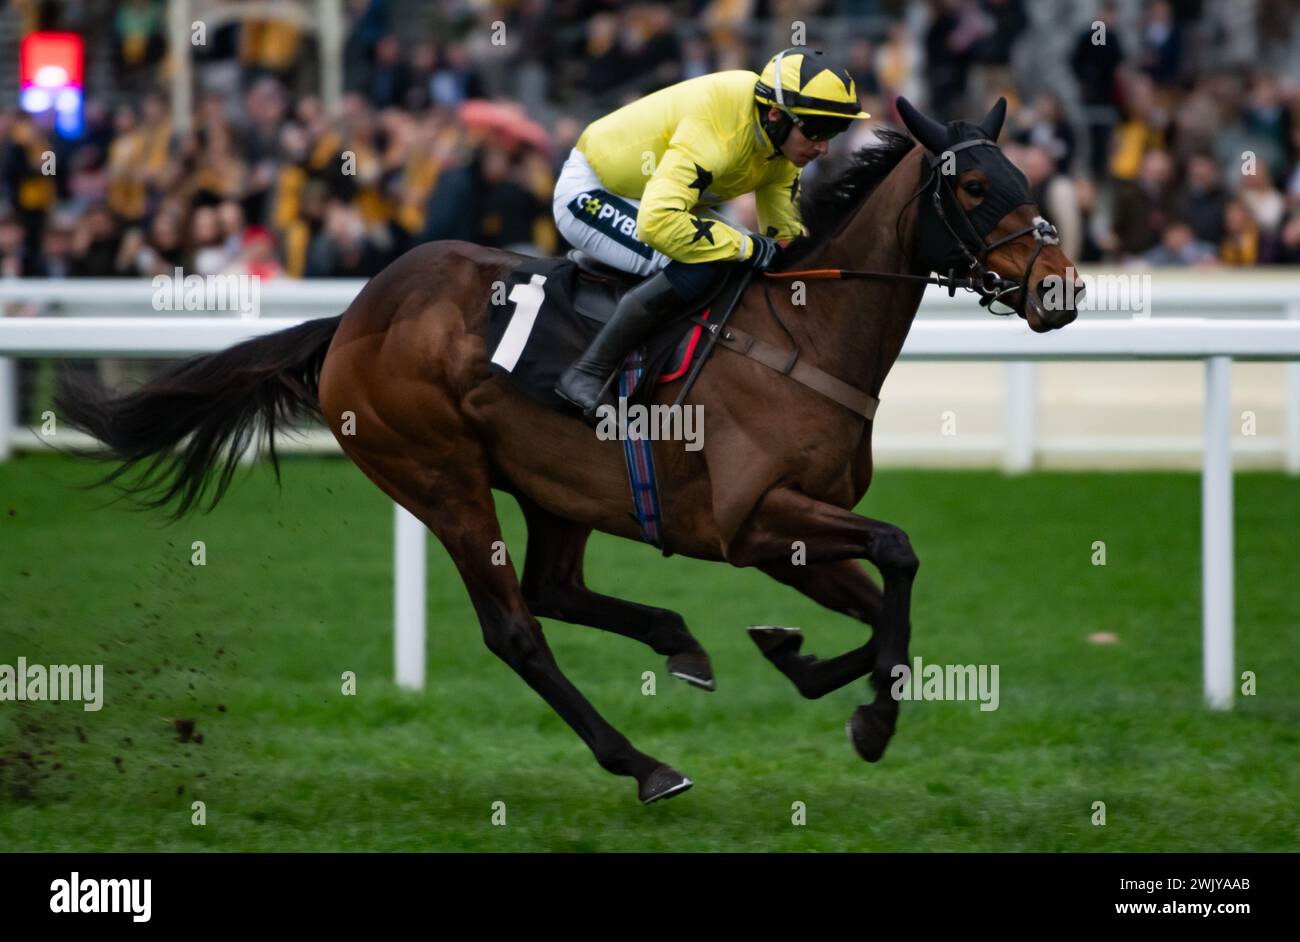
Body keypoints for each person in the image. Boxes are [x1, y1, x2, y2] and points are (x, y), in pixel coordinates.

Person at [551, 48, 868, 417]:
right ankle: (587, 372)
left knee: (742, 257)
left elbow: (785, 240)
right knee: (709, 260)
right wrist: (745, 246)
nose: (824, 147)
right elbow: (657, 222)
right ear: (775, 114)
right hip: (593, 192)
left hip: (654, 195)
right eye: (817, 130)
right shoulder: (721, 126)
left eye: (836, 131)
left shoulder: (780, 145)